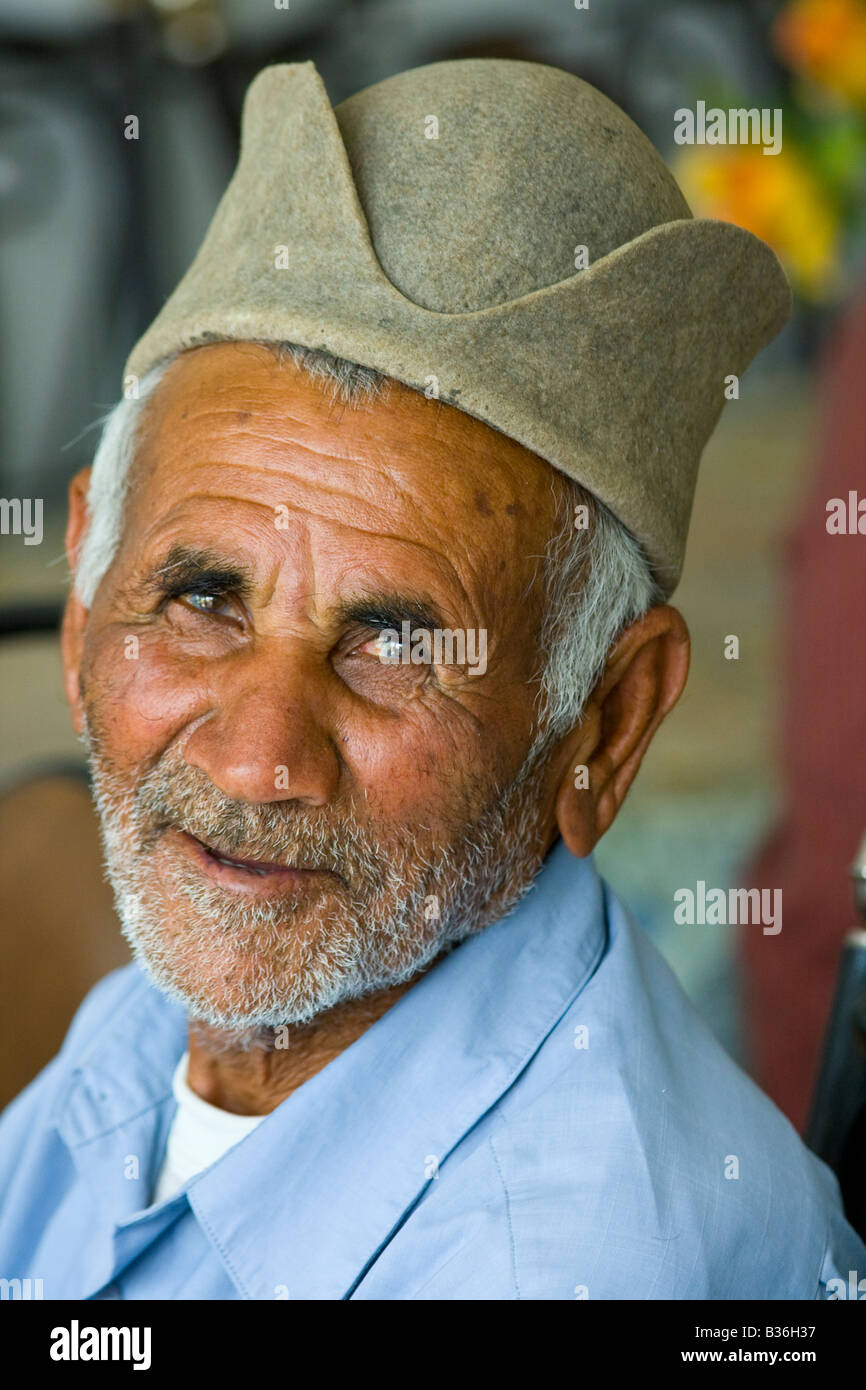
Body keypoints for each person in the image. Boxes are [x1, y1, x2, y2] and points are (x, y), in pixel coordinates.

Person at [1, 58, 862, 1300]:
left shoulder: (560, 1265)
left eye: (397, 646)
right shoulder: (174, 1004)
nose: (256, 759)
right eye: (201, 600)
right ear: (88, 587)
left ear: (605, 728)